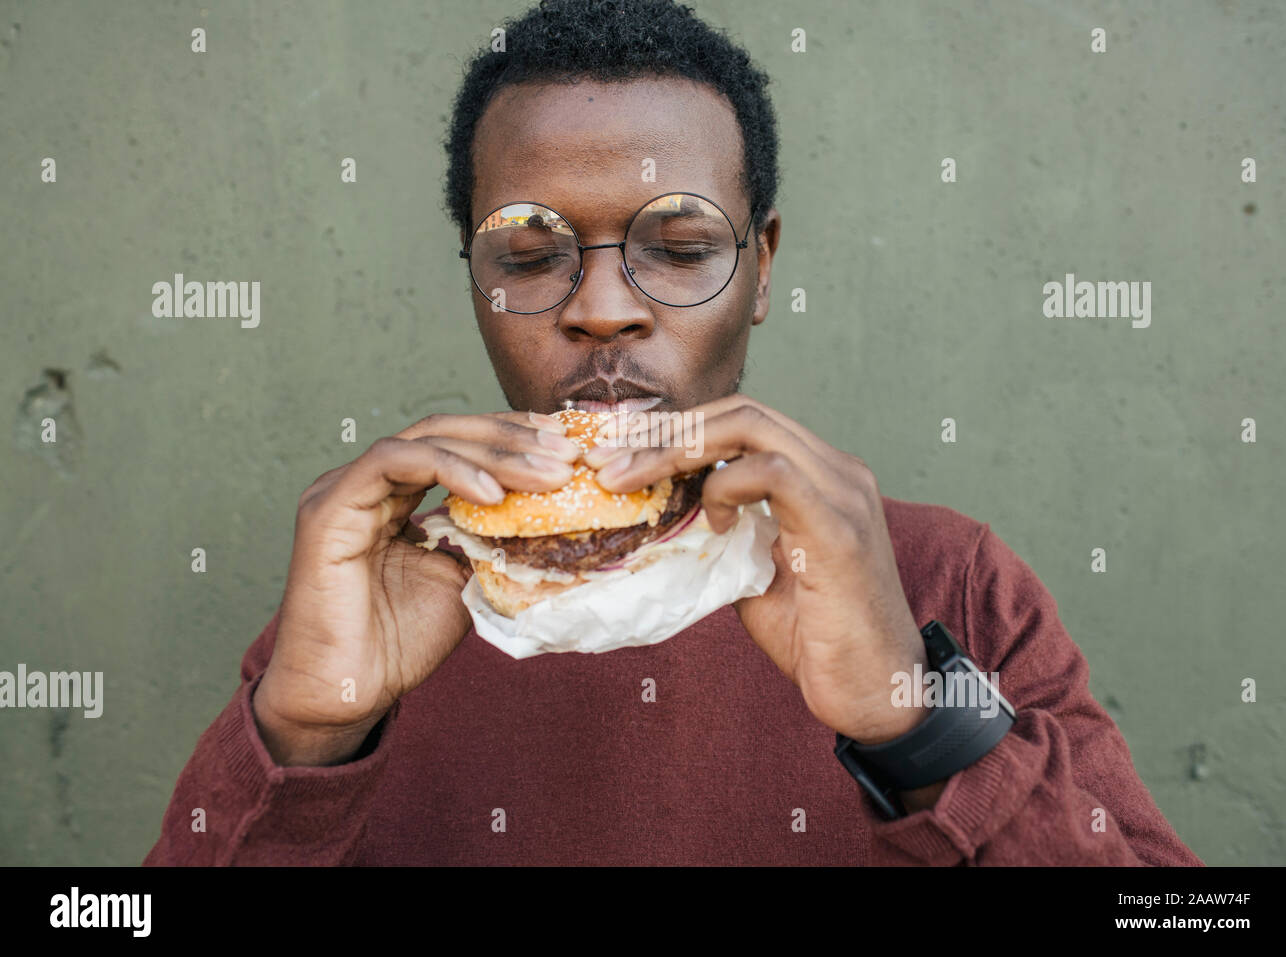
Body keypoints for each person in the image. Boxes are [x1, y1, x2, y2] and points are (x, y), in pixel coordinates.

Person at [144, 0, 1202, 866]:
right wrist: (306, 740)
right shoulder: (375, 605)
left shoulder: (941, 581)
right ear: (475, 280)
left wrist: (917, 723)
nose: (603, 309)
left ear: (761, 269)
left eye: (682, 247)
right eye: (529, 257)